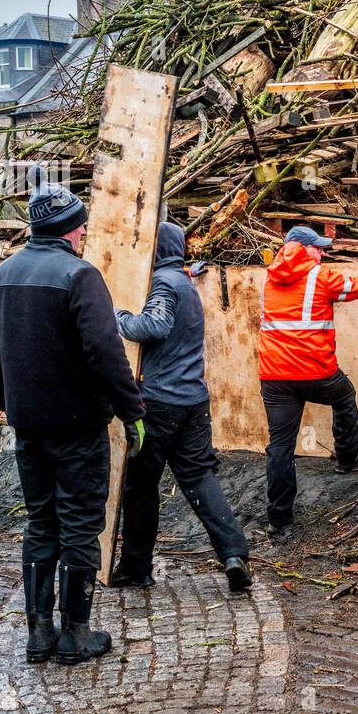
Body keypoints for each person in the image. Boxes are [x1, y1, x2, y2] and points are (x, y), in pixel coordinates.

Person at [0, 177, 146, 666]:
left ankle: (38, 635)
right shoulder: (80, 276)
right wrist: (133, 410)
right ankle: (75, 634)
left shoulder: (0, 275)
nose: (85, 233)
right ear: (72, 232)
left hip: (29, 427)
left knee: (40, 523)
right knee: (80, 525)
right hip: (77, 429)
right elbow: (106, 352)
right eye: (81, 227)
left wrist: (11, 403)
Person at [110, 222, 252, 593]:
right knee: (200, 478)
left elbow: (154, 325)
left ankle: (136, 568)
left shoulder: (164, 283)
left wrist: (119, 318)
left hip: (159, 404)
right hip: (193, 402)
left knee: (141, 486)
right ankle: (234, 554)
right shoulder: (185, 283)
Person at [259, 226, 358, 539]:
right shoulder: (321, 276)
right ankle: (346, 458)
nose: (322, 253)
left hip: (274, 376)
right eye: (318, 248)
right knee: (345, 396)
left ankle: (280, 524)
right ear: (303, 249)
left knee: (280, 448)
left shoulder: (268, 278)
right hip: (315, 372)